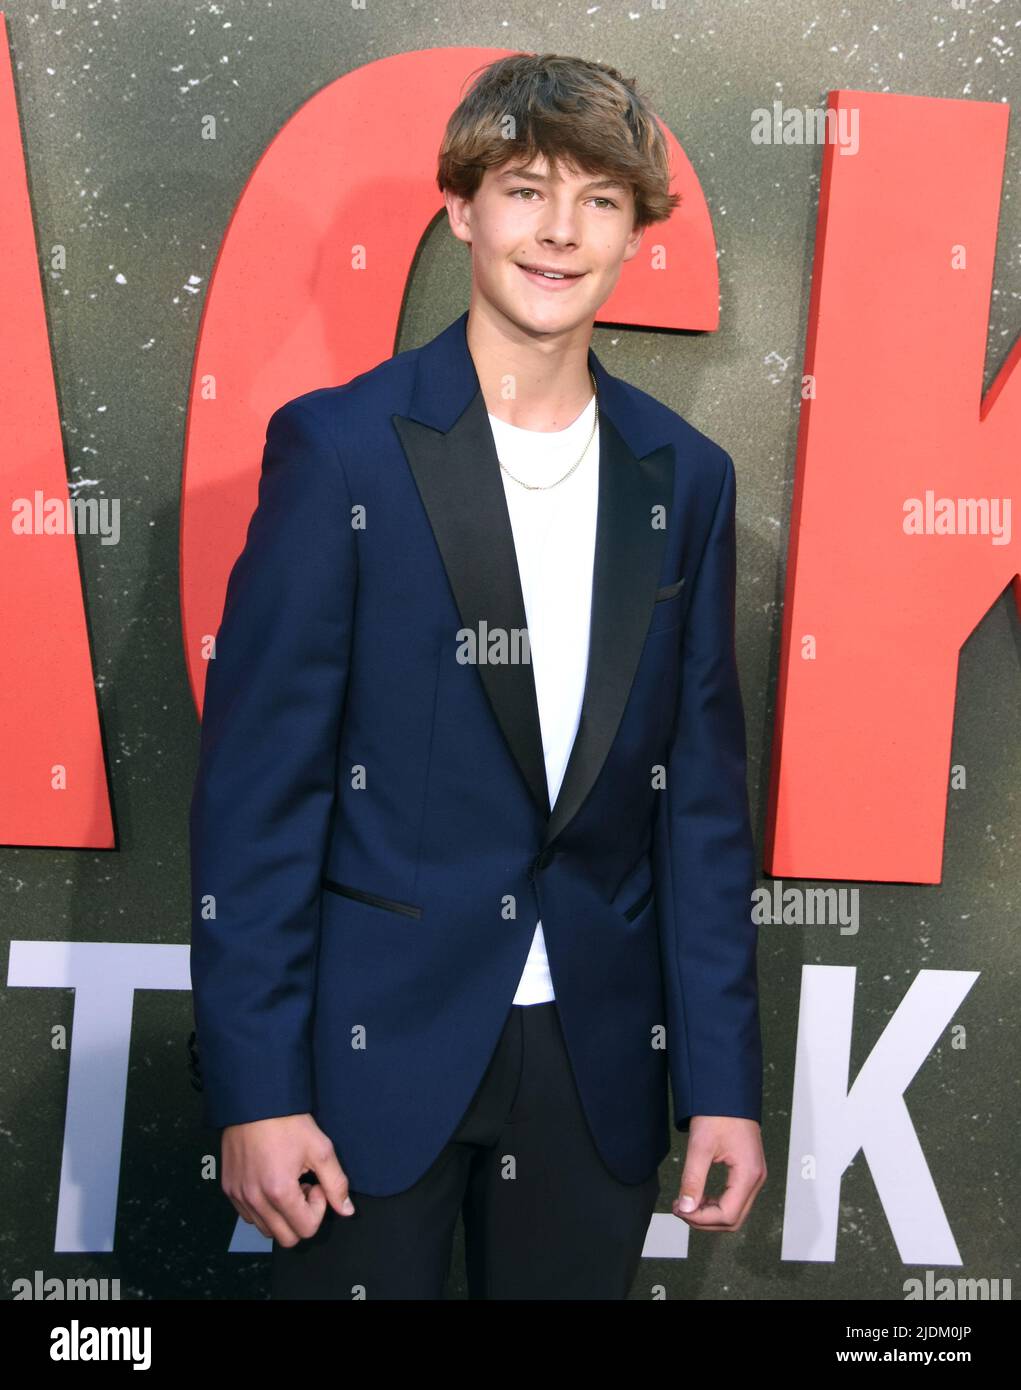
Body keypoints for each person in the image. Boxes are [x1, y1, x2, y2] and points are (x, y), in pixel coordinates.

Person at [189, 51, 766, 1301]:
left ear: (633, 234)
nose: (559, 232)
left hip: (598, 1063)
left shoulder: (687, 476)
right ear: (460, 208)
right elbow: (259, 800)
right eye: (525, 189)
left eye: (599, 200)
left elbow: (702, 809)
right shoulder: (340, 449)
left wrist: (720, 1080)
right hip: (365, 1065)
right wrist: (259, 1088)